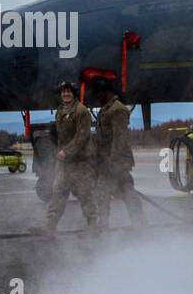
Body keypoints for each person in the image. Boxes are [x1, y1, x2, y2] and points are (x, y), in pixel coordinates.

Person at [32, 81, 98, 236]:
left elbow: (82, 137)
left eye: (68, 91)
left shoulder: (81, 111)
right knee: (58, 193)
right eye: (63, 92)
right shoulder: (60, 111)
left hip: (80, 162)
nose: (66, 94)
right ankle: (50, 227)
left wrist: (66, 151)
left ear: (73, 93)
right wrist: (59, 152)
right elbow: (61, 137)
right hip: (65, 163)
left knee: (85, 194)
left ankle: (93, 226)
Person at [91, 76, 146, 227]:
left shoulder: (117, 109)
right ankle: (103, 225)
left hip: (118, 161)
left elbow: (120, 139)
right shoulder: (106, 109)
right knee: (102, 193)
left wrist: (112, 162)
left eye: (98, 94)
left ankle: (139, 223)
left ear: (105, 92)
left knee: (127, 193)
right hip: (105, 161)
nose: (96, 97)